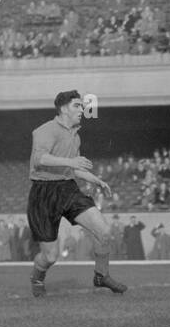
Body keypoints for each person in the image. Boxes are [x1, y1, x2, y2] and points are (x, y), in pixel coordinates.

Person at [26, 90, 127, 298]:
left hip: (67, 188)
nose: (82, 110)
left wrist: (96, 180)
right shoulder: (45, 130)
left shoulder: (76, 135)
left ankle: (101, 275)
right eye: (77, 106)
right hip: (43, 192)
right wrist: (71, 163)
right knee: (50, 256)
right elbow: (39, 159)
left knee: (103, 231)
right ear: (64, 109)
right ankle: (37, 277)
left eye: (82, 106)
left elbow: (75, 168)